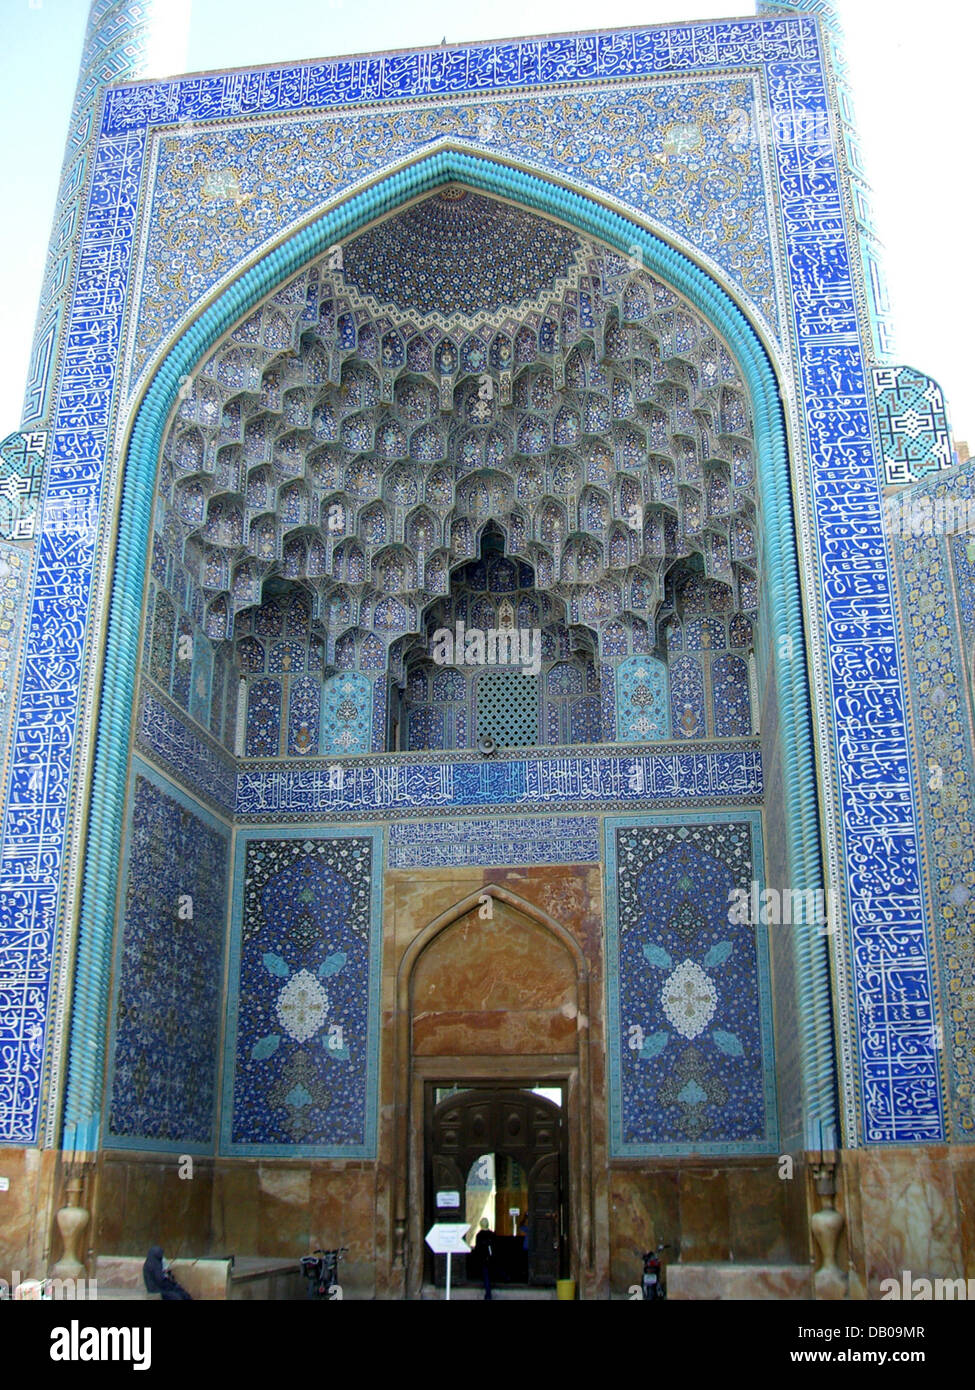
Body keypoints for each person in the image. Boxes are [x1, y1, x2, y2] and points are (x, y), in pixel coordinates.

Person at [473, 1217, 495, 1300]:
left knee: (486, 1276)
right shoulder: (492, 1234)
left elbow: (477, 1248)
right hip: (491, 1257)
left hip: (483, 1258)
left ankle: (488, 1294)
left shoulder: (479, 1235)